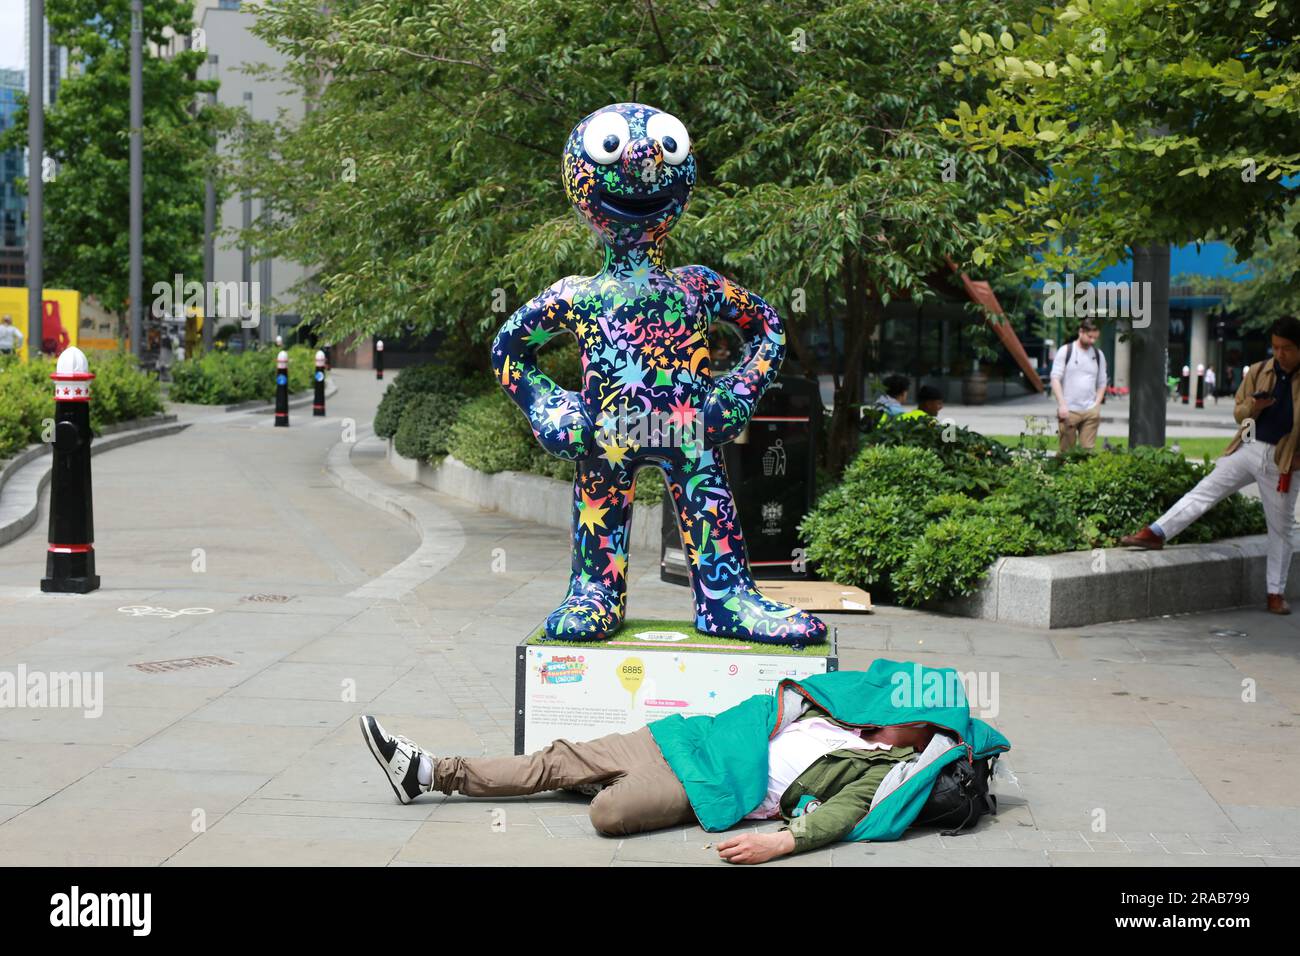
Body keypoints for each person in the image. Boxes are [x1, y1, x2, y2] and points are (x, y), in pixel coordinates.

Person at [359, 664, 992, 865]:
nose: (888, 707)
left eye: (905, 708)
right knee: (557, 761)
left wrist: (780, 842)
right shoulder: (844, 711)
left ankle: (604, 784)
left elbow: (848, 818)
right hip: (688, 738)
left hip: (710, 781)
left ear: (925, 729)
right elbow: (768, 704)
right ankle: (429, 772)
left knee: (608, 812)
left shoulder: (880, 769)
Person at [1121, 316, 1300, 615]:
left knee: (1280, 529)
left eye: (1287, 349)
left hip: (1283, 461)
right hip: (1249, 446)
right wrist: (1254, 407)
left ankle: (1274, 593)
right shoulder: (1259, 371)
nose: (1279, 354)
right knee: (1204, 490)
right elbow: (1239, 414)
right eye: (1275, 347)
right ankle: (1156, 532)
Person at [1050, 318, 1108, 452]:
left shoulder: (1099, 355)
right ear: (1081, 332)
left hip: (1090, 411)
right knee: (1066, 452)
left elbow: (1102, 382)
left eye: (1095, 338)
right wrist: (1062, 404)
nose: (1093, 341)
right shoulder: (1065, 351)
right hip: (1068, 410)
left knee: (1087, 452)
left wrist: (1096, 405)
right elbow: (1055, 378)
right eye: (1090, 337)